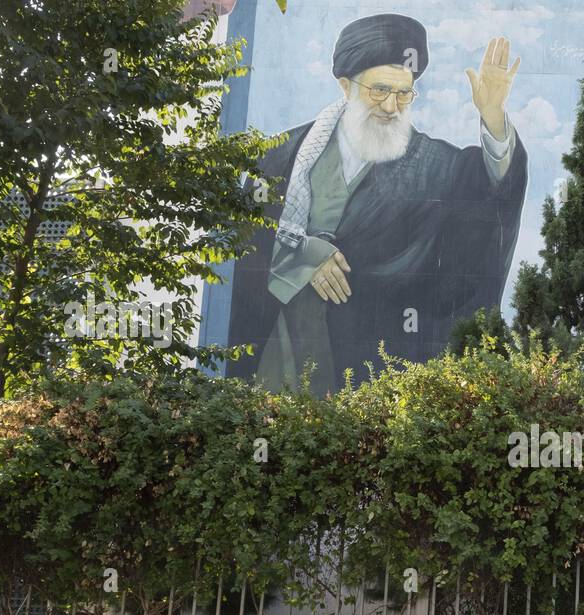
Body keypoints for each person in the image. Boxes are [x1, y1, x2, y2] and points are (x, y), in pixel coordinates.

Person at [227, 14, 529, 394]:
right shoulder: (282, 156)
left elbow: (487, 192)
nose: (391, 106)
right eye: (379, 90)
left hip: (372, 368)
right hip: (283, 354)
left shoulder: (430, 166)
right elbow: (243, 241)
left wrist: (494, 118)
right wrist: (303, 253)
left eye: (404, 93)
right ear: (345, 86)